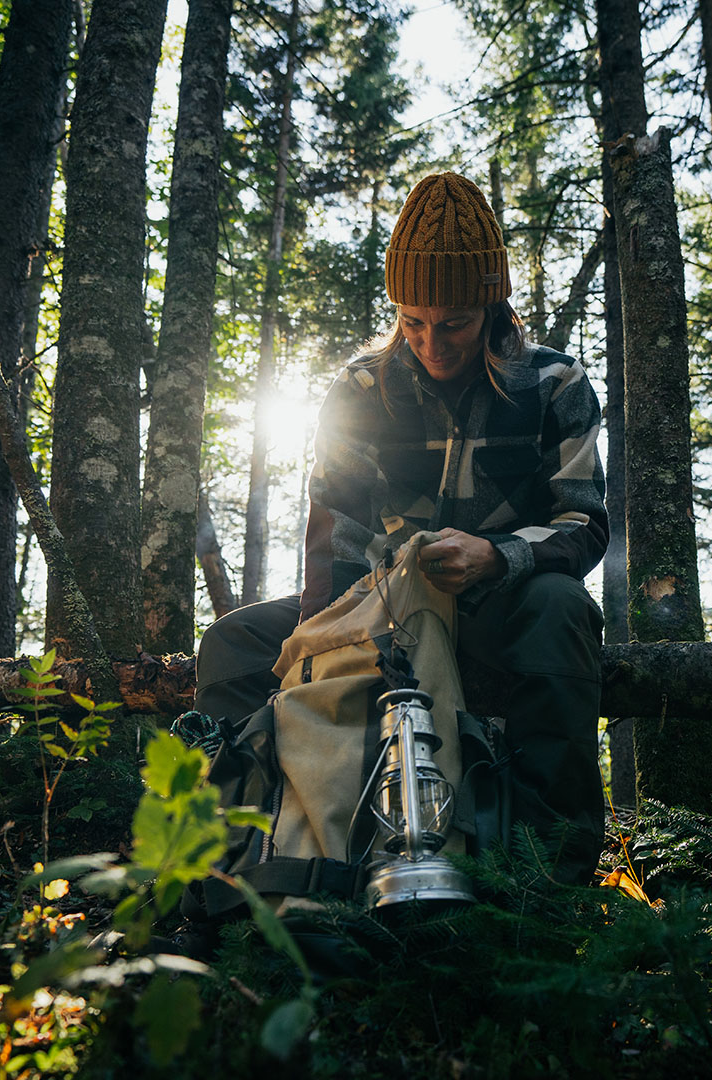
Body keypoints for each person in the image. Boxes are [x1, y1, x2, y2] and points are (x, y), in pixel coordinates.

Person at [195, 172, 609, 882]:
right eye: (412, 321)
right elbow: (335, 533)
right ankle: (245, 866)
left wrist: (496, 555)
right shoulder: (361, 390)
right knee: (235, 646)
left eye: (453, 323)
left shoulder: (555, 385)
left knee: (563, 606)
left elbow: (585, 522)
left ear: (491, 304)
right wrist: (321, 637)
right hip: (382, 612)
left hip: (504, 610)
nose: (431, 343)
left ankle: (549, 880)